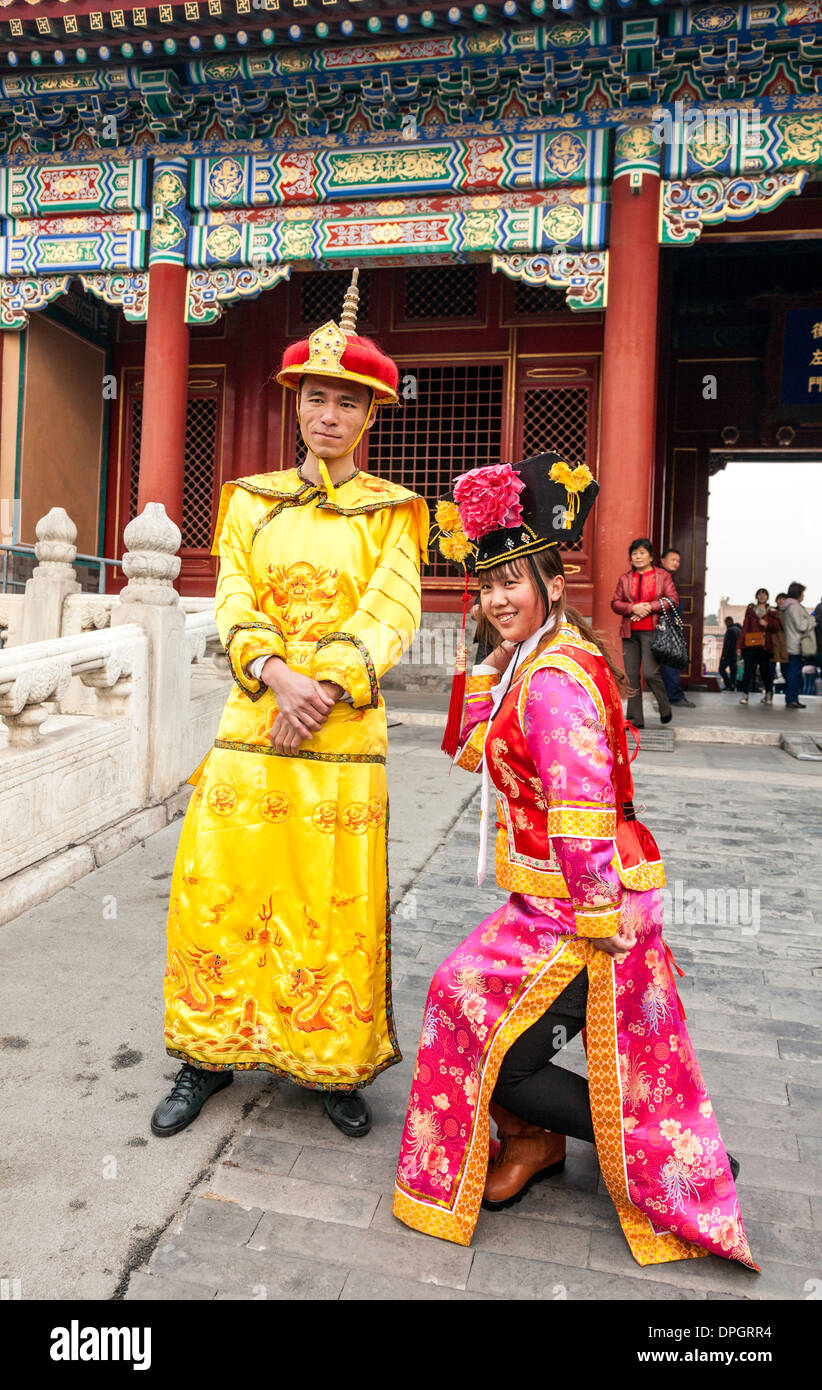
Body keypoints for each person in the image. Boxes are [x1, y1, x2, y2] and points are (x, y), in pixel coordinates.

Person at [393, 455, 757, 1272]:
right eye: (485, 586)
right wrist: (489, 668)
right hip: (549, 900)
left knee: (493, 1040)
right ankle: (534, 1146)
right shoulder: (532, 659)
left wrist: (604, 924)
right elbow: (476, 753)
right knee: (464, 1002)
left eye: (511, 581)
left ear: (553, 583)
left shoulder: (554, 680)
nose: (495, 600)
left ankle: (671, 1159)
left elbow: (582, 812)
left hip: (583, 905)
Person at [150, 273, 429, 1141]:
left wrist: (323, 689)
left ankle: (331, 1062)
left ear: (371, 415)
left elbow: (393, 609)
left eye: (348, 403)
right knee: (221, 888)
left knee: (329, 897)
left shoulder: (396, 514)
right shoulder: (247, 500)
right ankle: (205, 1055)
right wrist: (276, 675)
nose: (330, 416)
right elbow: (233, 596)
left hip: (340, 732)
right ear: (295, 406)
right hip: (253, 720)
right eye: (317, 399)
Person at [610, 539, 679, 728]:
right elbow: (615, 603)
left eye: (641, 553)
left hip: (653, 631)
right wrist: (633, 607)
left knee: (649, 673)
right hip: (629, 632)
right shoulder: (625, 578)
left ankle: (664, 707)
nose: (638, 557)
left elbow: (672, 600)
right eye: (634, 553)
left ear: (650, 556)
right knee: (631, 676)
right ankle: (634, 718)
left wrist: (649, 607)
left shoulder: (662, 576)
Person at [658, 547, 695, 707]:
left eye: (678, 561)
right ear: (662, 560)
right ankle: (673, 696)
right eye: (673, 560)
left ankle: (673, 695)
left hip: (670, 625)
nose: (676, 563)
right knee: (670, 661)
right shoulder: (659, 578)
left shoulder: (667, 578)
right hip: (663, 626)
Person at [737, 588, 777, 705]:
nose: (762, 596)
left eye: (764, 594)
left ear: (767, 597)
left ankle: (768, 694)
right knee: (748, 672)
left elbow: (776, 628)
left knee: (765, 673)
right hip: (751, 646)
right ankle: (745, 695)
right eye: (760, 594)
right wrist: (740, 645)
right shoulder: (750, 611)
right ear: (757, 596)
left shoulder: (772, 611)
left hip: (765, 647)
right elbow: (745, 628)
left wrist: (767, 624)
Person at [780, 581, 817, 710]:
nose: (804, 596)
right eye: (803, 593)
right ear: (798, 593)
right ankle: (792, 699)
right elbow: (801, 626)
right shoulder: (794, 607)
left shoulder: (787, 607)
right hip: (795, 644)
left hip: (791, 643)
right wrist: (812, 621)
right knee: (794, 673)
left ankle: (793, 698)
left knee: (793, 672)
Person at [769, 594, 789, 695]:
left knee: (785, 671)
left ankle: (790, 694)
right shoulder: (771, 612)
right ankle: (769, 693)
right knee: (770, 671)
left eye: (784, 599)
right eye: (779, 599)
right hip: (773, 644)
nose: (781, 601)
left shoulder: (789, 613)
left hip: (784, 645)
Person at [719, 615, 741, 691]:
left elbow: (727, 644)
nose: (725, 625)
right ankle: (732, 685)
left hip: (728, 654)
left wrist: (723, 655)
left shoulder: (730, 630)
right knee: (733, 671)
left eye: (726, 623)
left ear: (729, 621)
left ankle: (728, 684)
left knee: (721, 669)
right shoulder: (738, 629)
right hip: (736, 655)